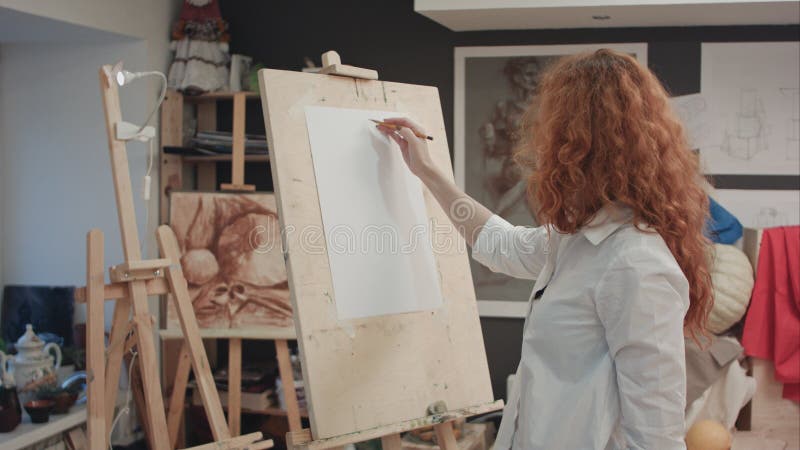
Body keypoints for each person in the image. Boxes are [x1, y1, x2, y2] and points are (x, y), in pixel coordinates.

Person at [376, 48, 713, 450]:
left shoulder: (636, 263)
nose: (543, 150)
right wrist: (428, 172)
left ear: (584, 147)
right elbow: (501, 243)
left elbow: (656, 435)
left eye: (554, 134)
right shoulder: (577, 237)